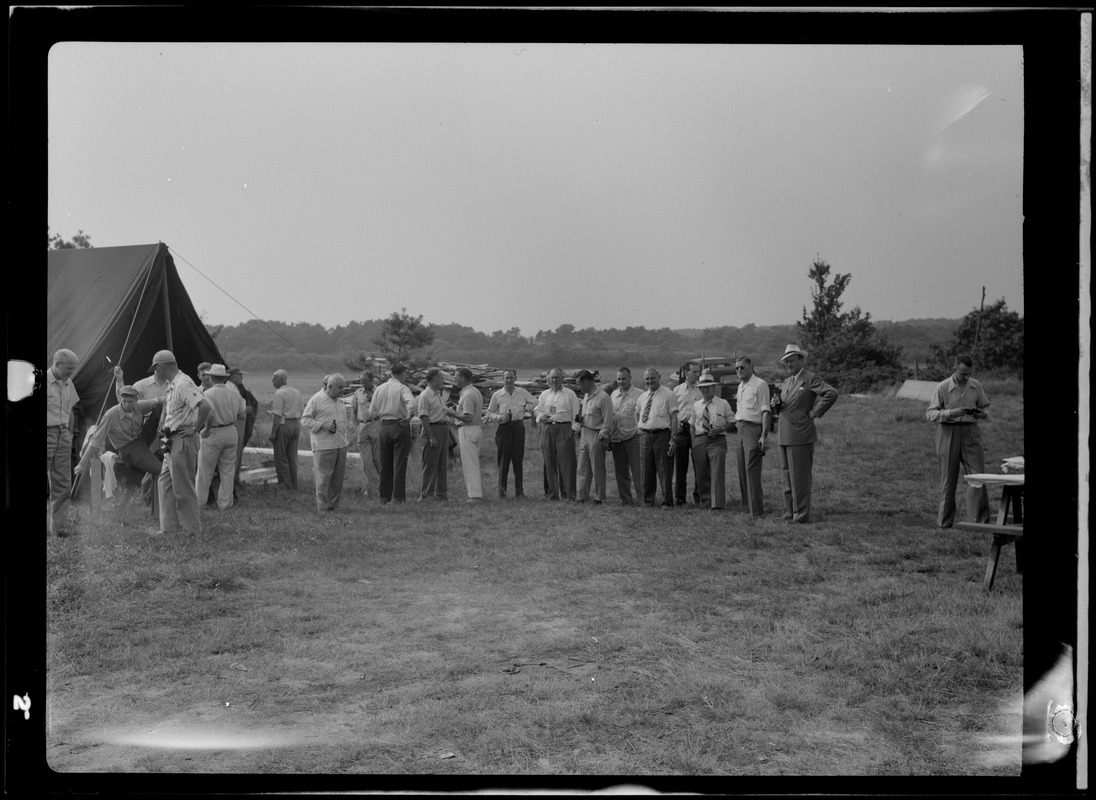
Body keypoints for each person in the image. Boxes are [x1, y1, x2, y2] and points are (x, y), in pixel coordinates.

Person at [926, 354, 992, 529]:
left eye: (969, 373)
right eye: (963, 373)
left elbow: (985, 406)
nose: (966, 377)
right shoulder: (942, 387)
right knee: (949, 479)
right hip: (948, 432)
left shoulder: (975, 385)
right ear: (954, 369)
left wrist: (982, 414)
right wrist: (950, 413)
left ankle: (978, 523)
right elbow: (930, 413)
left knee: (978, 477)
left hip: (971, 431)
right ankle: (945, 523)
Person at [74, 378, 164, 505]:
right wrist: (81, 464)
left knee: (159, 407)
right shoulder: (111, 415)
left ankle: (165, 437)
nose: (127, 405)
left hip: (141, 439)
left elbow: (157, 400)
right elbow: (95, 441)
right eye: (124, 401)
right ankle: (150, 500)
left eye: (130, 402)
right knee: (160, 470)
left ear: (136, 400)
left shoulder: (139, 406)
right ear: (120, 400)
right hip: (128, 448)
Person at [775, 344, 838, 523]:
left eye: (792, 360)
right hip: (784, 434)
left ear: (801, 360)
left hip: (801, 435)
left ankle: (801, 515)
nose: (789, 364)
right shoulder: (787, 382)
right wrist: (776, 404)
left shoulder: (810, 378)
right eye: (786, 361)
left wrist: (815, 412)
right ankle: (789, 512)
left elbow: (831, 393)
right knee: (787, 476)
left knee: (800, 478)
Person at [155, 350, 212, 535]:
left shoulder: (183, 384)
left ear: (163, 367)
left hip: (182, 440)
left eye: (156, 368)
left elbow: (205, 406)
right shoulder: (174, 384)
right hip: (171, 440)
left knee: (183, 488)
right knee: (164, 483)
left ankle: (191, 531)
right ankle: (169, 529)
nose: (155, 372)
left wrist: (195, 429)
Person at [195, 364, 246, 509]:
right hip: (230, 430)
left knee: (205, 470)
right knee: (227, 471)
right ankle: (225, 503)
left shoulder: (208, 394)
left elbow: (209, 413)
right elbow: (242, 414)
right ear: (224, 378)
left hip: (213, 432)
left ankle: (200, 502)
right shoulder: (234, 393)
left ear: (211, 377)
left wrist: (207, 429)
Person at [301, 372, 351, 513]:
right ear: (330, 386)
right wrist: (322, 425)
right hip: (324, 445)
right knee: (323, 478)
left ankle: (334, 506)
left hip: (341, 444)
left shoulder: (339, 401)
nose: (343, 390)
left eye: (343, 387)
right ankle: (322, 507)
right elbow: (305, 420)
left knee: (337, 479)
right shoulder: (316, 400)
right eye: (340, 387)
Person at [486, 369, 536, 499]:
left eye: (511, 378)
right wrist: (498, 418)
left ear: (515, 378)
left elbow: (536, 401)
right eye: (506, 378)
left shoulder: (521, 392)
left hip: (518, 427)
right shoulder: (498, 395)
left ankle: (519, 492)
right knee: (503, 460)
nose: (509, 380)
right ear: (503, 379)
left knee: (518, 459)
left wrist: (526, 408)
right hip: (504, 429)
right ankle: (502, 492)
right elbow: (489, 412)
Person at [369, 363, 415, 503]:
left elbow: (371, 412)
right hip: (400, 425)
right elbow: (412, 404)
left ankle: (384, 496)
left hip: (384, 427)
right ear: (401, 374)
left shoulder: (380, 389)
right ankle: (399, 497)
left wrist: (378, 416)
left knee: (385, 463)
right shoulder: (402, 388)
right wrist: (408, 417)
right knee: (400, 463)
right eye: (405, 373)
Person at [47, 349, 80, 536]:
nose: (71, 372)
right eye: (69, 368)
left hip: (63, 435)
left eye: (74, 369)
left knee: (62, 483)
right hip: (47, 433)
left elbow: (71, 410)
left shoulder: (69, 383)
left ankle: (59, 527)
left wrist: (68, 432)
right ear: (57, 364)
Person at [534, 368, 581, 501]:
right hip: (548, 429)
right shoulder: (544, 394)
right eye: (552, 377)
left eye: (557, 377)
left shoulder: (570, 394)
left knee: (567, 463)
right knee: (549, 462)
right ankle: (551, 494)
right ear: (548, 379)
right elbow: (537, 410)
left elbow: (577, 414)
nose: (554, 380)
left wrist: (572, 430)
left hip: (564, 428)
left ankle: (569, 494)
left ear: (563, 378)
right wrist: (540, 416)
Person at [635, 368, 678, 508]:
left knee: (665, 470)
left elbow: (674, 418)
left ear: (659, 377)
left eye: (652, 378)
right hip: (645, 436)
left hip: (662, 435)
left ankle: (667, 502)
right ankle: (647, 501)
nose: (650, 381)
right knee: (646, 471)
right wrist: (639, 426)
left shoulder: (669, 395)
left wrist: (673, 439)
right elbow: (637, 413)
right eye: (647, 379)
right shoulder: (642, 397)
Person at [690, 372, 735, 510]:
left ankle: (717, 504)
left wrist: (720, 429)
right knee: (701, 473)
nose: (705, 390)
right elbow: (692, 424)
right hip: (700, 440)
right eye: (702, 388)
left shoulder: (723, 403)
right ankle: (706, 502)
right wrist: (694, 442)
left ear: (714, 388)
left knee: (717, 472)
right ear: (699, 389)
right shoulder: (696, 405)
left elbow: (732, 422)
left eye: (708, 387)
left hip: (717, 440)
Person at [734, 355, 771, 517]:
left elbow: (765, 411)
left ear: (751, 366)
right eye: (737, 368)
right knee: (742, 469)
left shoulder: (760, 384)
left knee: (752, 469)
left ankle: (756, 510)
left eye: (742, 367)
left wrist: (763, 435)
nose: (739, 370)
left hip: (753, 429)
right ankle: (746, 507)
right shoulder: (741, 386)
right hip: (740, 428)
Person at [575, 370, 614, 504]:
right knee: (582, 466)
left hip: (597, 434)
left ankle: (599, 497)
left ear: (586, 382)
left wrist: (601, 437)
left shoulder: (603, 397)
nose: (579, 387)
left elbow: (608, 420)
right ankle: (581, 496)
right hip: (585, 432)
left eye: (580, 384)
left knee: (597, 468)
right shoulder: (586, 396)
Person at [447, 367, 484, 502]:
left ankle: (474, 496)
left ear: (463, 378)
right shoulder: (473, 391)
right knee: (471, 462)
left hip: (468, 429)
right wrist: (457, 407)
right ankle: (472, 493)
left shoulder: (468, 395)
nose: (455, 380)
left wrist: (451, 412)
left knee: (470, 464)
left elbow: (468, 417)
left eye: (456, 377)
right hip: (474, 429)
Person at [609, 367, 643, 506]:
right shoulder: (613, 395)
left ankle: (642, 498)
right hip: (617, 438)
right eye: (619, 379)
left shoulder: (640, 395)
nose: (621, 381)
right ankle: (625, 499)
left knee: (638, 471)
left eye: (623, 378)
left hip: (634, 437)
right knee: (621, 471)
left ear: (630, 378)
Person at [672, 361, 703, 506]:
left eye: (698, 372)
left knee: (699, 464)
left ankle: (700, 497)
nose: (697, 374)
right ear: (686, 372)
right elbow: (672, 411)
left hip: (697, 430)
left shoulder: (702, 390)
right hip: (682, 431)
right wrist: (676, 424)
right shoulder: (676, 391)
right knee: (681, 466)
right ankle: (680, 498)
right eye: (694, 371)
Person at [416, 368, 450, 501]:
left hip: (443, 429)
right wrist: (431, 436)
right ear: (435, 379)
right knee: (430, 463)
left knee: (442, 463)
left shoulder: (438, 395)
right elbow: (423, 417)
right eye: (441, 377)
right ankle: (426, 494)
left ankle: (441, 493)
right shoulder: (425, 396)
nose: (443, 380)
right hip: (433, 429)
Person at [269, 369, 304, 491]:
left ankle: (284, 485)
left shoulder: (279, 393)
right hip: (296, 424)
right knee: (292, 457)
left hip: (284, 425)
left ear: (281, 380)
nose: (272, 381)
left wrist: (273, 432)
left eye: (274, 379)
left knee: (281, 457)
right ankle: (294, 484)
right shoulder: (296, 392)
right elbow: (301, 409)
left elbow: (277, 416)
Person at [349, 370, 382, 499]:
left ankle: (377, 488)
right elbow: (353, 411)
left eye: (366, 382)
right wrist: (358, 426)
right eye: (361, 382)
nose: (363, 384)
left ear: (372, 380)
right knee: (367, 461)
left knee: (377, 460)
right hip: (362, 426)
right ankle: (376, 487)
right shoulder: (358, 393)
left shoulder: (379, 392)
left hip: (376, 424)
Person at [228, 367, 259, 491]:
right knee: (233, 455)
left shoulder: (237, 389)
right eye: (240, 375)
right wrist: (244, 410)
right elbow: (230, 410)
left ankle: (235, 479)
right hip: (235, 425)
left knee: (237, 454)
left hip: (240, 425)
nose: (242, 377)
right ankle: (231, 482)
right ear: (233, 376)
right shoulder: (230, 389)